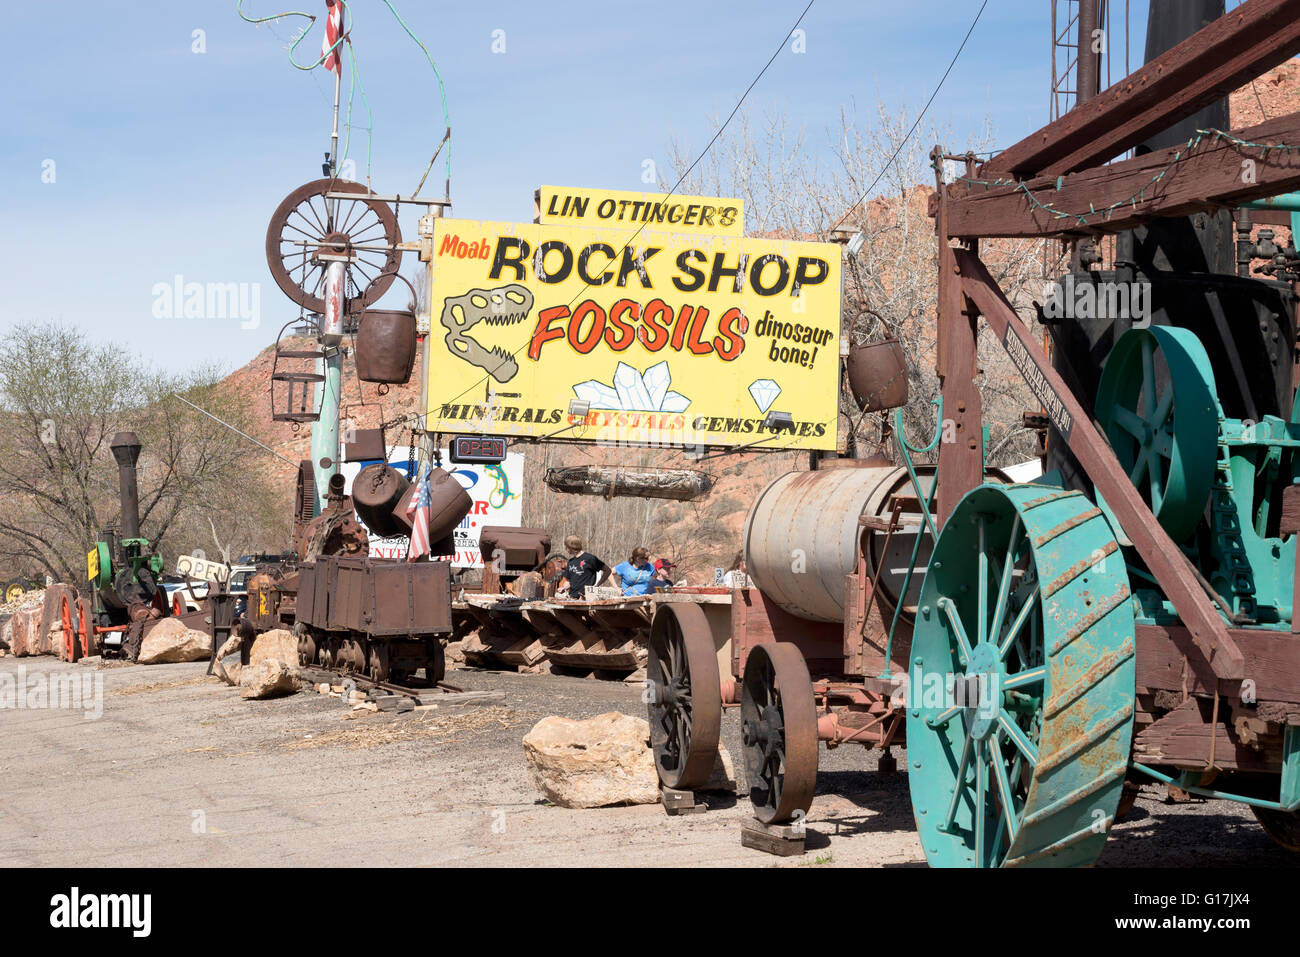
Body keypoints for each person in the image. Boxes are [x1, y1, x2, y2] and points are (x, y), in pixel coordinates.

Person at [556, 535, 609, 600]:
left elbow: (607, 570)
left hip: (587, 598)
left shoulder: (590, 559)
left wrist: (597, 585)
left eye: (566, 546)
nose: (566, 549)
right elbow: (568, 582)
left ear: (571, 546)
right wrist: (563, 588)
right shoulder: (570, 562)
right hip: (572, 598)